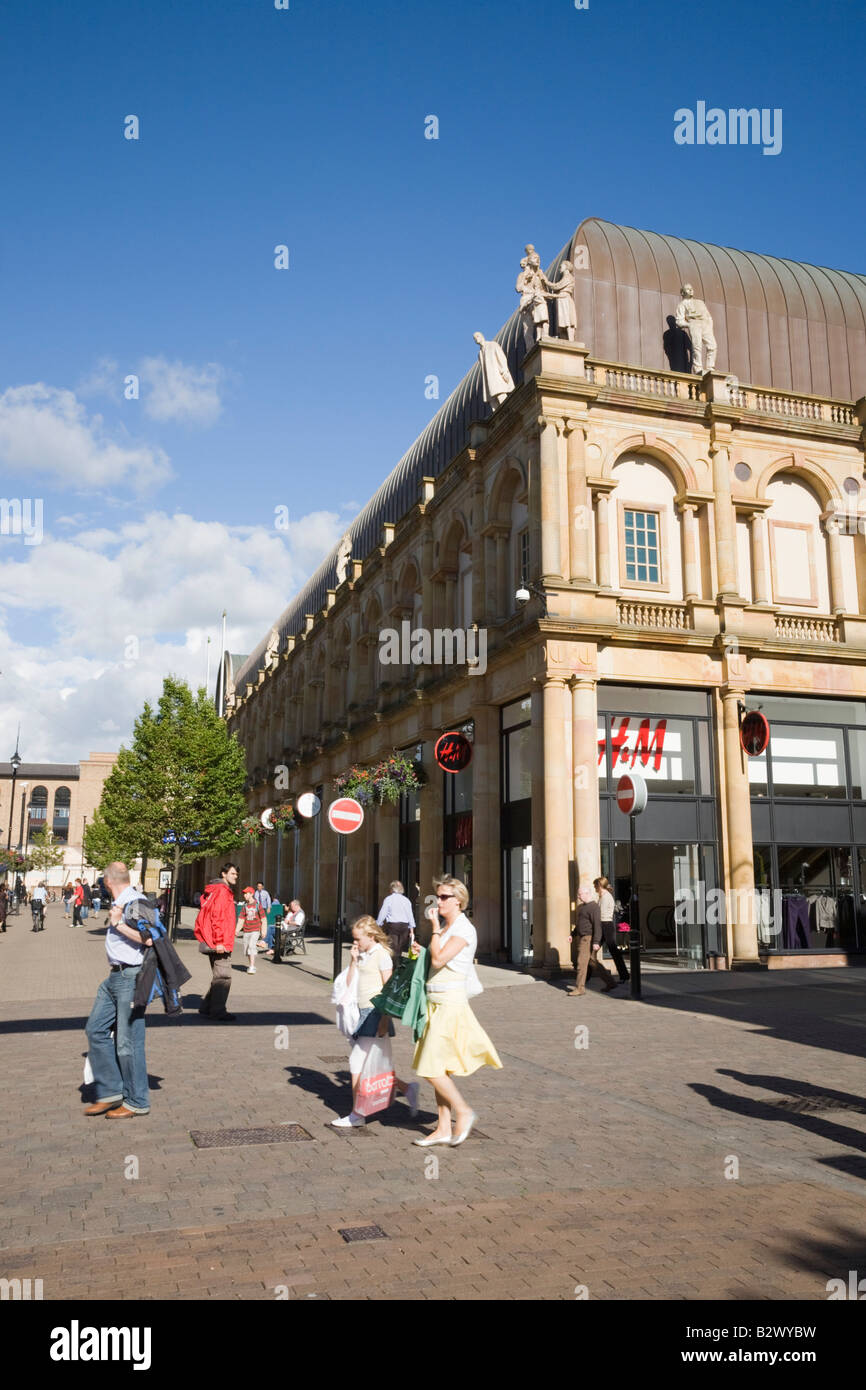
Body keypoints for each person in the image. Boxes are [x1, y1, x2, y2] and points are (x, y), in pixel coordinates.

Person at [411, 876, 502, 1147]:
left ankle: (463, 1111)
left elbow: (440, 959)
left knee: (430, 1066)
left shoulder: (463, 928)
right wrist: (424, 950)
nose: (438, 901)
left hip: (450, 1003)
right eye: (437, 896)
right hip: (435, 1002)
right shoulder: (451, 927)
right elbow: (436, 958)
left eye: (444, 897)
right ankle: (442, 1128)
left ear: (458, 901)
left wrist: (434, 929)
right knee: (441, 1066)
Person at [332, 916, 418, 1128]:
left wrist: (384, 1019)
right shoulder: (362, 954)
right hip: (362, 1012)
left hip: (375, 1012)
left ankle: (357, 1114)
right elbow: (350, 983)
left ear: (371, 936)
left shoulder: (382, 955)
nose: (355, 943)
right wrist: (353, 960)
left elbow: (387, 989)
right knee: (378, 1064)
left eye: (358, 939)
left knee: (357, 1062)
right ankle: (408, 1089)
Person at [83, 861, 153, 1118]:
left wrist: (118, 924)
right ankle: (111, 1090)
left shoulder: (136, 901)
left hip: (131, 977)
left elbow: (151, 938)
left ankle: (137, 1100)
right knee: (95, 1029)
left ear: (107, 881)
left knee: (128, 1042)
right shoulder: (123, 900)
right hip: (114, 977)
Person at [194, 863, 239, 1021]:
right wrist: (220, 941)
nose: (235, 876)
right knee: (224, 977)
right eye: (232, 873)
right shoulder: (222, 891)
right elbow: (218, 917)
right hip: (219, 941)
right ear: (224, 874)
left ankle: (207, 1007)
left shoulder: (217, 890)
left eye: (236, 874)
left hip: (216, 940)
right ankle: (218, 1011)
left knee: (219, 976)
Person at [569, 886, 618, 996]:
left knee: (581, 963)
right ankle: (611, 982)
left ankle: (580, 988)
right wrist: (572, 934)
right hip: (582, 937)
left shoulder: (594, 907)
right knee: (593, 962)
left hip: (588, 938)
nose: (578, 896)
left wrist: (596, 941)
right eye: (578, 894)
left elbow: (597, 926)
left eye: (580, 894)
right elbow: (580, 924)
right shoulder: (581, 907)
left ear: (587, 893)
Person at [594, 875, 629, 984]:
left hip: (605, 926)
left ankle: (624, 975)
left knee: (613, 951)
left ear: (600, 886)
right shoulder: (603, 896)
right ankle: (624, 975)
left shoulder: (606, 897)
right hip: (605, 925)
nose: (594, 888)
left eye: (595, 886)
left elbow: (602, 915)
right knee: (594, 951)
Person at [376, 880, 416, 960]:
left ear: (392, 889)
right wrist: (412, 930)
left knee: (393, 947)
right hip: (404, 926)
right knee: (400, 947)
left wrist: (378, 924)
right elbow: (410, 915)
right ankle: (397, 964)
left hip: (393, 926)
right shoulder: (406, 900)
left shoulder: (388, 899)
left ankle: (394, 965)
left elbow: (383, 913)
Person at [235, 886, 266, 973]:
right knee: (247, 949)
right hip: (246, 931)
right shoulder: (244, 906)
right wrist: (236, 930)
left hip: (255, 930)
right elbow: (241, 919)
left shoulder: (257, 905)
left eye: (246, 893)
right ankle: (252, 964)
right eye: (244, 893)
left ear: (251, 894)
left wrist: (263, 931)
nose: (244, 895)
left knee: (251, 946)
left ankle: (252, 967)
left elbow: (264, 919)